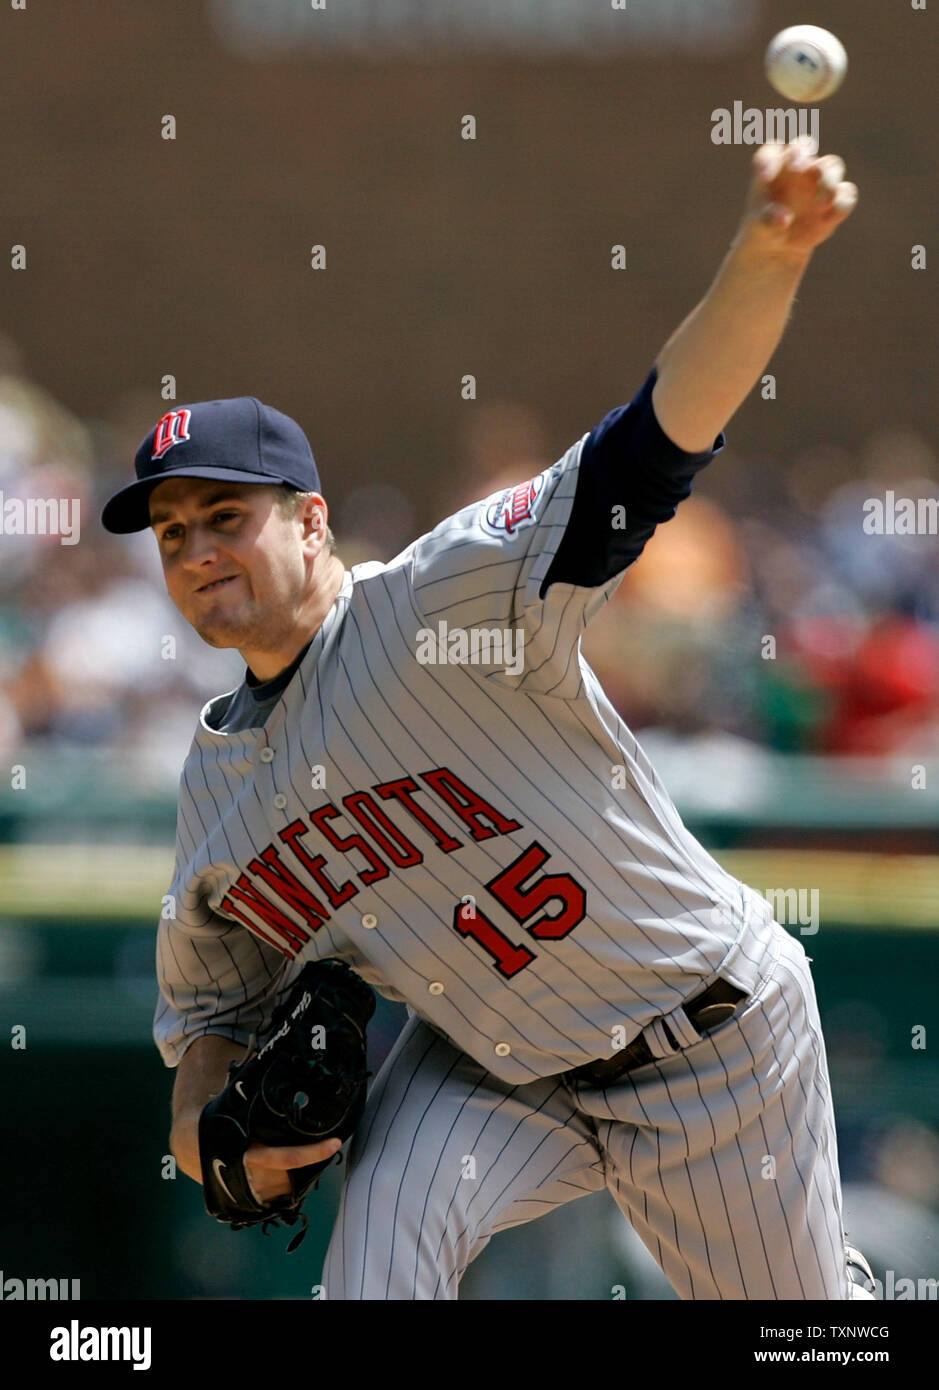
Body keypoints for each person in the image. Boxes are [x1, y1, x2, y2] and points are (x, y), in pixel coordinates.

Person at [102, 137, 876, 1300]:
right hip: (490, 1069)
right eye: (173, 535)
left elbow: (655, 441)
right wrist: (217, 1148)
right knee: (373, 1275)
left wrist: (766, 254)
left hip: (708, 1042)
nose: (199, 551)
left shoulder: (447, 597)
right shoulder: (217, 785)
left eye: (226, 517)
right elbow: (208, 1025)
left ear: (311, 520)